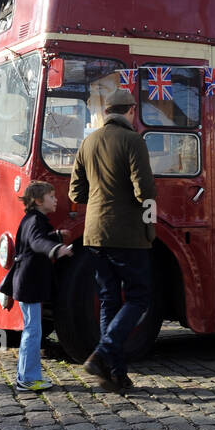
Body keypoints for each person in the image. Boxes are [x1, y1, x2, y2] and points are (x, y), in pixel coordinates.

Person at [69, 88, 157, 393]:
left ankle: (115, 374)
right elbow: (143, 191)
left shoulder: (88, 141)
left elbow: (75, 193)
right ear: (131, 111)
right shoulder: (134, 141)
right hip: (128, 234)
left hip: (93, 234)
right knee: (138, 297)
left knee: (108, 300)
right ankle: (103, 352)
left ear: (107, 112)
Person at [4, 181, 73, 393]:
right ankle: (27, 378)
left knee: (32, 329)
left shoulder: (33, 219)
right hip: (30, 283)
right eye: (51, 196)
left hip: (28, 282)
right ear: (38, 200)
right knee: (32, 331)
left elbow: (37, 239)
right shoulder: (35, 220)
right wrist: (56, 249)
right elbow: (36, 242)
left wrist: (56, 236)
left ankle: (26, 376)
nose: (56, 200)